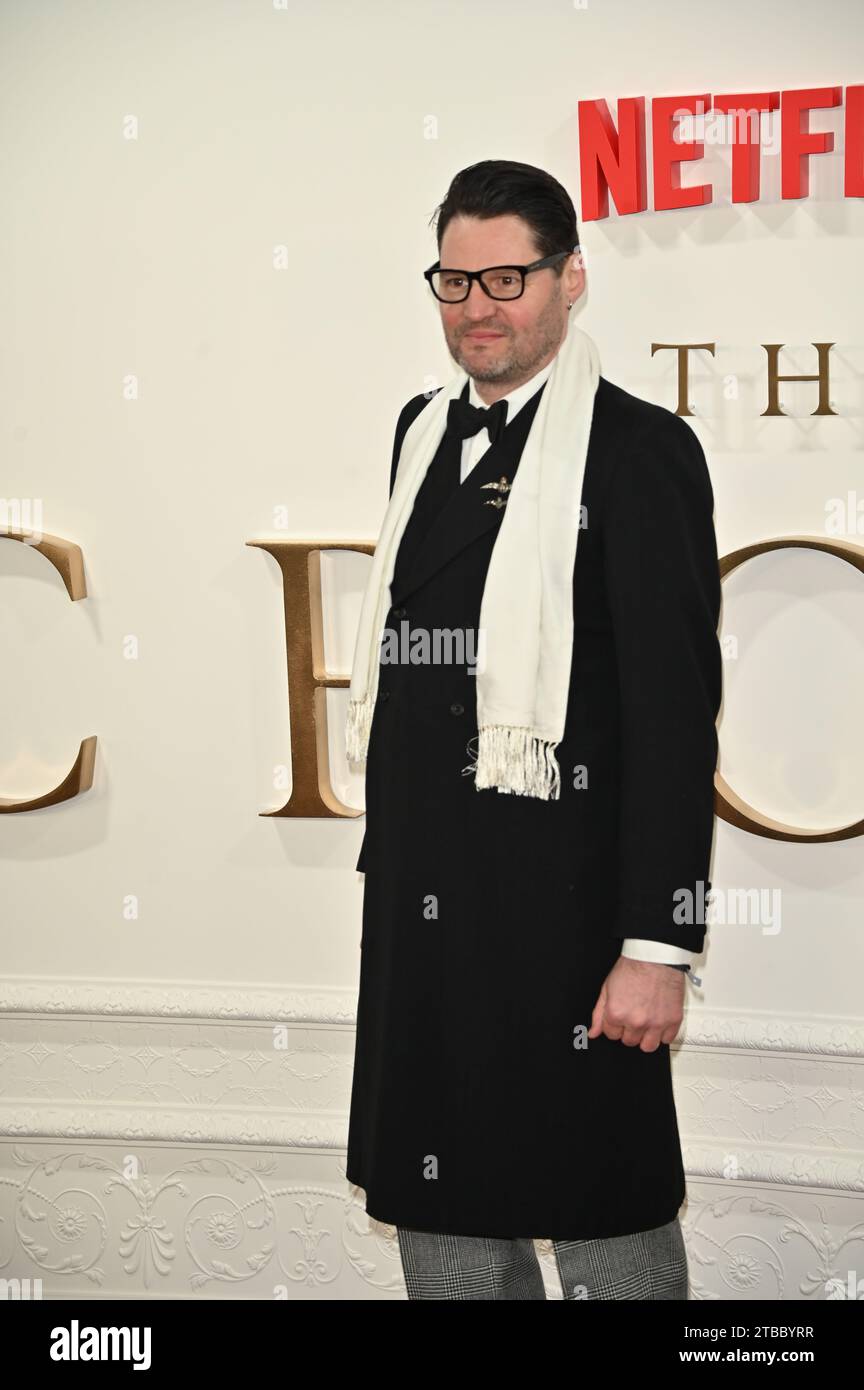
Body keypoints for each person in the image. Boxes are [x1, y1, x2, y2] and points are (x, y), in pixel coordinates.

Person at [344, 159, 722, 1300]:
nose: (477, 307)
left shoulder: (642, 451)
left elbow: (673, 718)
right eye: (454, 281)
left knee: (608, 1219)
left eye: (507, 277)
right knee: (444, 1217)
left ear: (572, 280)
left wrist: (659, 945)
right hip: (430, 910)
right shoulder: (419, 433)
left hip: (572, 929)